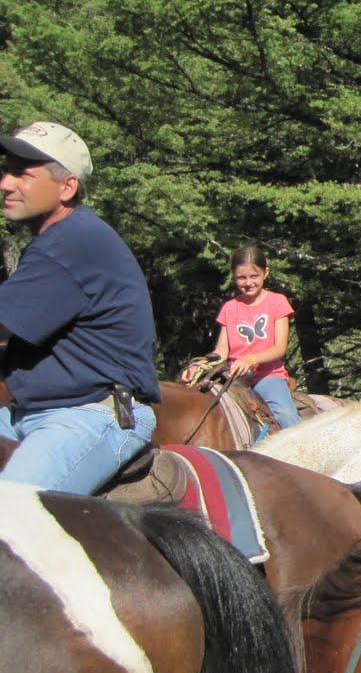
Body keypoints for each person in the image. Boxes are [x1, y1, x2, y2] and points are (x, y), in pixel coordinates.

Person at [0, 121, 160, 492]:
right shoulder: (59, 240)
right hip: (34, 413)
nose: (6, 183)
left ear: (67, 187)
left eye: (23, 173)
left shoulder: (71, 244)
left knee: (7, 520)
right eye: (7, 170)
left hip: (89, 416)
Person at [181, 243, 302, 429]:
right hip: (233, 377)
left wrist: (250, 359)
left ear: (265, 273)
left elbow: (279, 348)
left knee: (286, 414)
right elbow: (221, 351)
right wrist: (199, 365)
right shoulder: (230, 308)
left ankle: (301, 449)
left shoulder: (277, 302)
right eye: (241, 278)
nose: (248, 283)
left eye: (254, 276)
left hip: (268, 376)